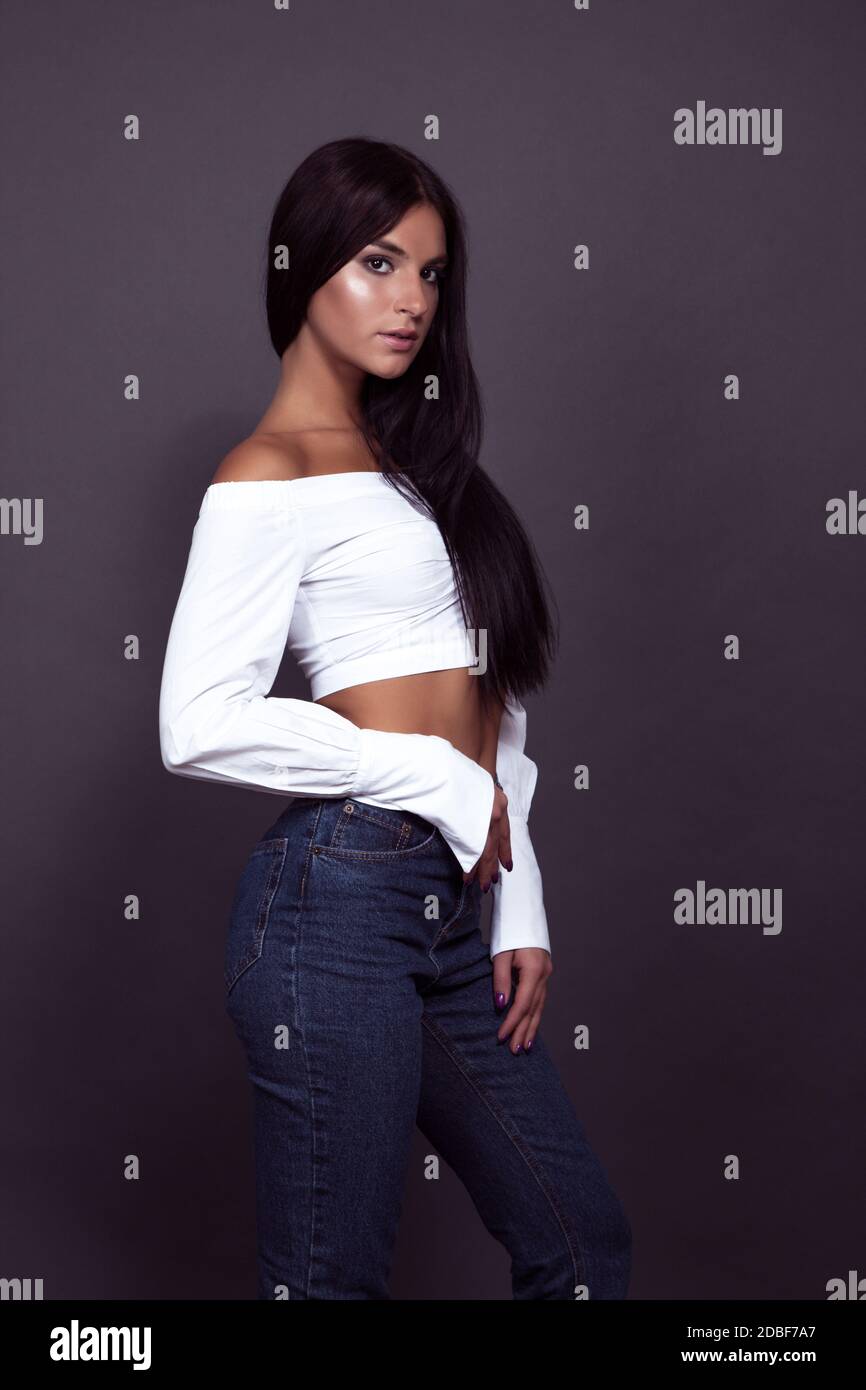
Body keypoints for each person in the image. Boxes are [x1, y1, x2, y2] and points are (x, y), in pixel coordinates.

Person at [158, 136, 631, 1300]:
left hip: (448, 914)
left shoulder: (418, 466)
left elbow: (492, 699)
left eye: (429, 273)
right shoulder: (265, 470)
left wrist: (516, 896)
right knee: (333, 1282)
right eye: (378, 263)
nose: (411, 299)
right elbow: (197, 719)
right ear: (303, 266)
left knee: (579, 1245)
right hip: (333, 899)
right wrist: (432, 782)